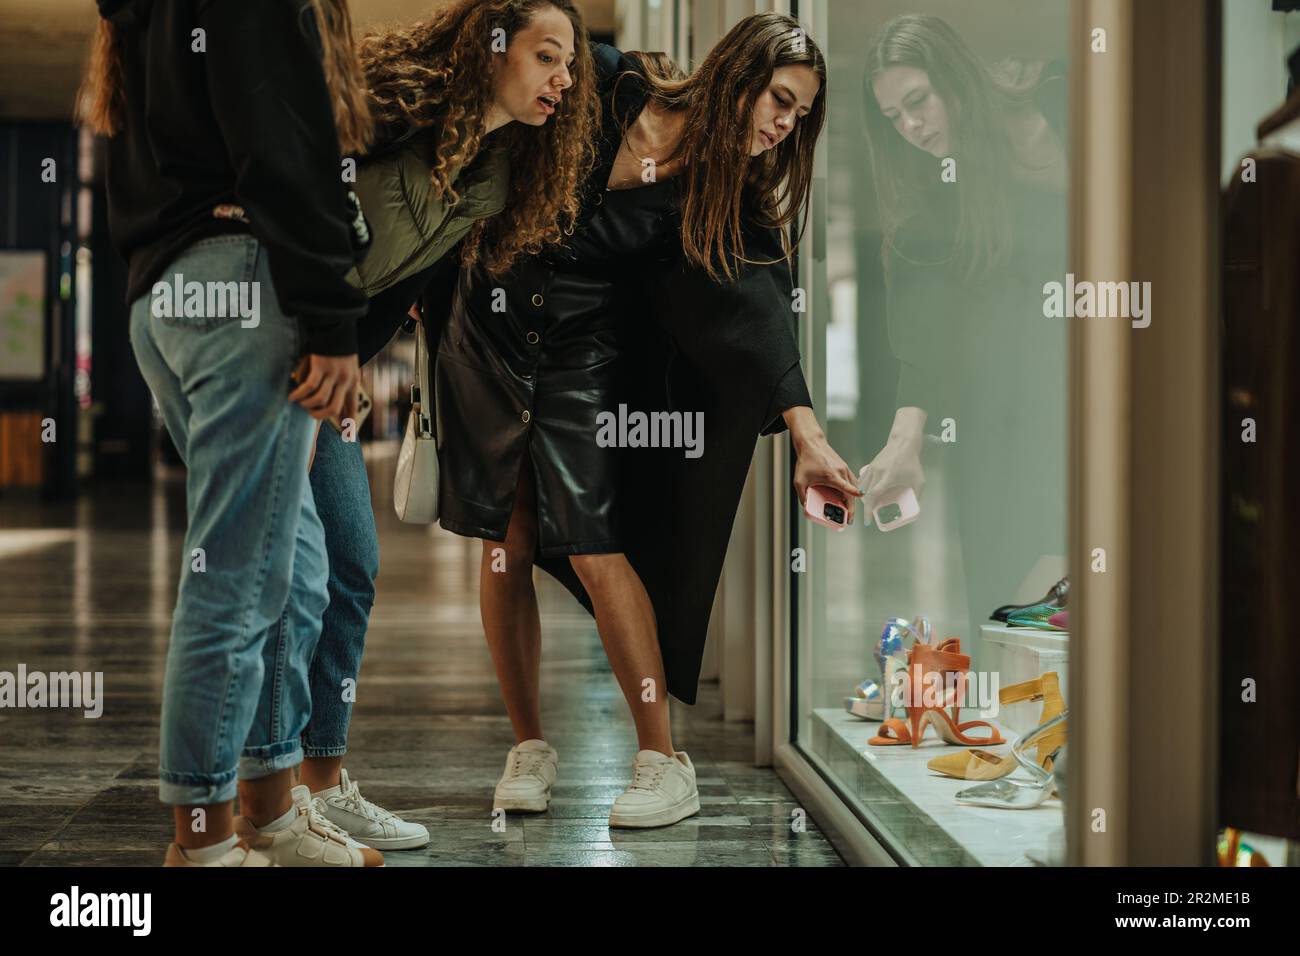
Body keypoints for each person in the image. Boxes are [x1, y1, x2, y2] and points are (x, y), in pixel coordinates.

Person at [429, 13, 861, 829]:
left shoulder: (725, 193)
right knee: (506, 542)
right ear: (737, 73)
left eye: (799, 115)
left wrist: (806, 434)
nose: (783, 123)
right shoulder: (602, 80)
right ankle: (529, 747)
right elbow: (493, 98)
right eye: (778, 98)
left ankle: (664, 760)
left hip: (582, 351)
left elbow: (765, 314)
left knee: (593, 543)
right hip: (486, 329)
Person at [292, 0, 600, 850]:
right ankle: (267, 800)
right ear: (492, 47)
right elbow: (304, 208)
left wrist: (356, 355)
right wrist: (320, 340)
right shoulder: (392, 105)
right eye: (547, 56)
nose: (563, 79)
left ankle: (319, 782)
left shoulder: (501, 173)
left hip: (332, 369)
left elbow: (410, 285)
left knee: (349, 570)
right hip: (280, 344)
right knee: (292, 583)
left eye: (569, 64)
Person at [84, 0, 380, 866]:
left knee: (295, 571)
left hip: (170, 294)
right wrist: (333, 321)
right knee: (238, 587)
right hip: (238, 284)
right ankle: (205, 844)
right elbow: (283, 149)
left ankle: (271, 813)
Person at [859, 13, 1069, 656]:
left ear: (953, 75)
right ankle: (1043, 738)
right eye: (894, 117)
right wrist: (904, 440)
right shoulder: (933, 197)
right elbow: (927, 329)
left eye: (917, 101)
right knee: (1013, 608)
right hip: (1006, 405)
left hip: (1111, 362)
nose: (912, 127)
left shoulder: (1067, 107)